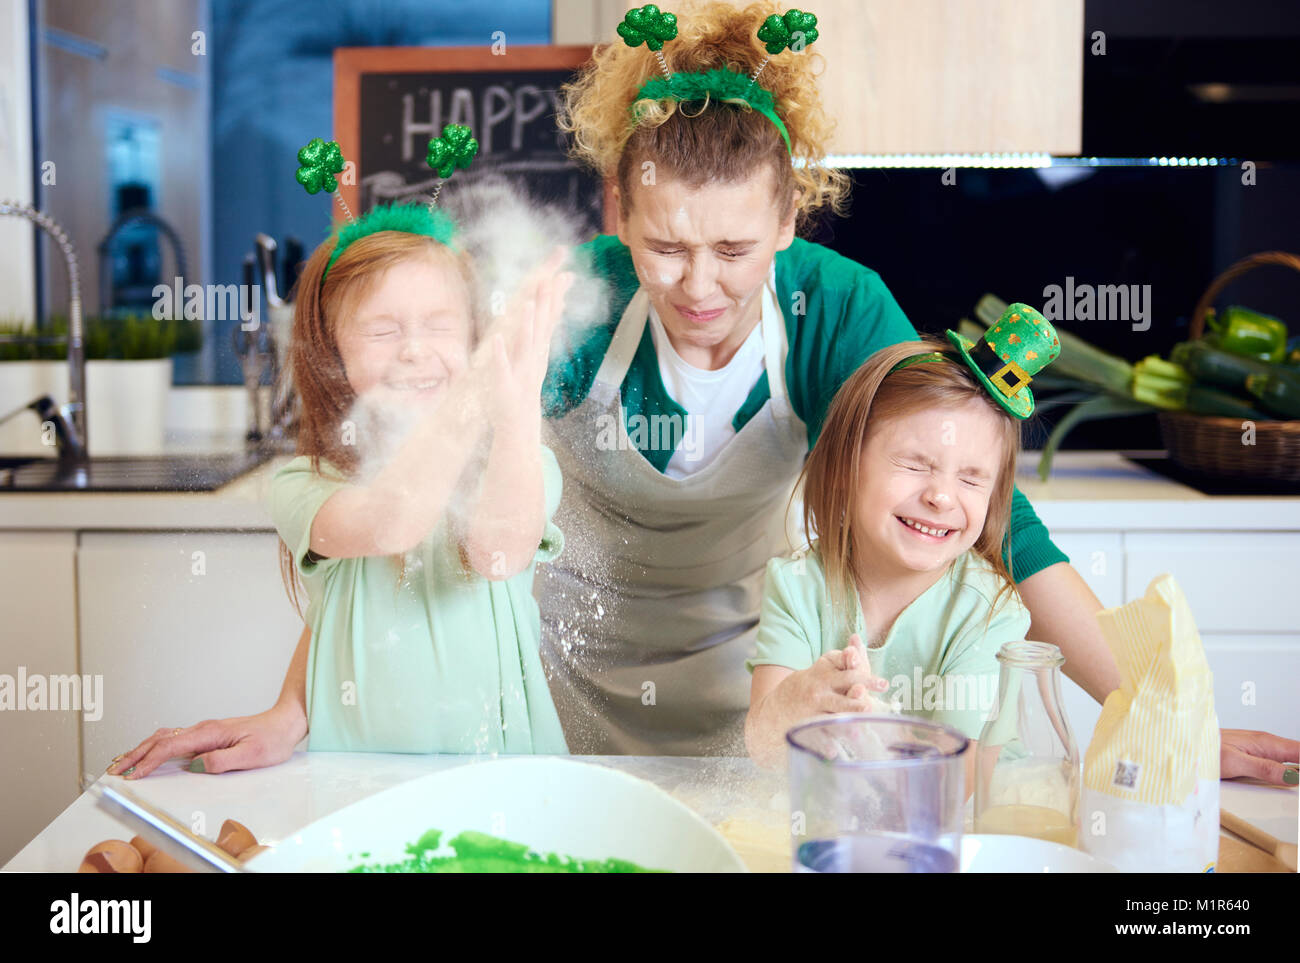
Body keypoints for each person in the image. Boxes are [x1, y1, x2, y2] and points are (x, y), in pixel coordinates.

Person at [113, 0, 1296, 784]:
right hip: (556, 721)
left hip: (764, 720)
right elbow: (408, 514)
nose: (698, 285)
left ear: (789, 215)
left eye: (735, 250)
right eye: (665, 245)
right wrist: (299, 705)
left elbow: (998, 521)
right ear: (618, 213)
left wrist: (1150, 712)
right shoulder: (573, 304)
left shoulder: (834, 307)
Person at [109, 206, 573, 775]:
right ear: (333, 353)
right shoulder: (307, 485)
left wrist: (517, 396)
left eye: (441, 324)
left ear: (474, 334)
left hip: (509, 783)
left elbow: (498, 553)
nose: (414, 350)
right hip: (351, 785)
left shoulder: (518, 462)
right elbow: (388, 528)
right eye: (383, 330)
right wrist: (289, 714)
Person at [745, 313, 1060, 785]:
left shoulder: (989, 612)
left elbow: (961, 783)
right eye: (915, 464)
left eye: (972, 478)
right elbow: (763, 748)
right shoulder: (797, 586)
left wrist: (873, 733)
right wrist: (798, 699)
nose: (942, 496)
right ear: (845, 463)